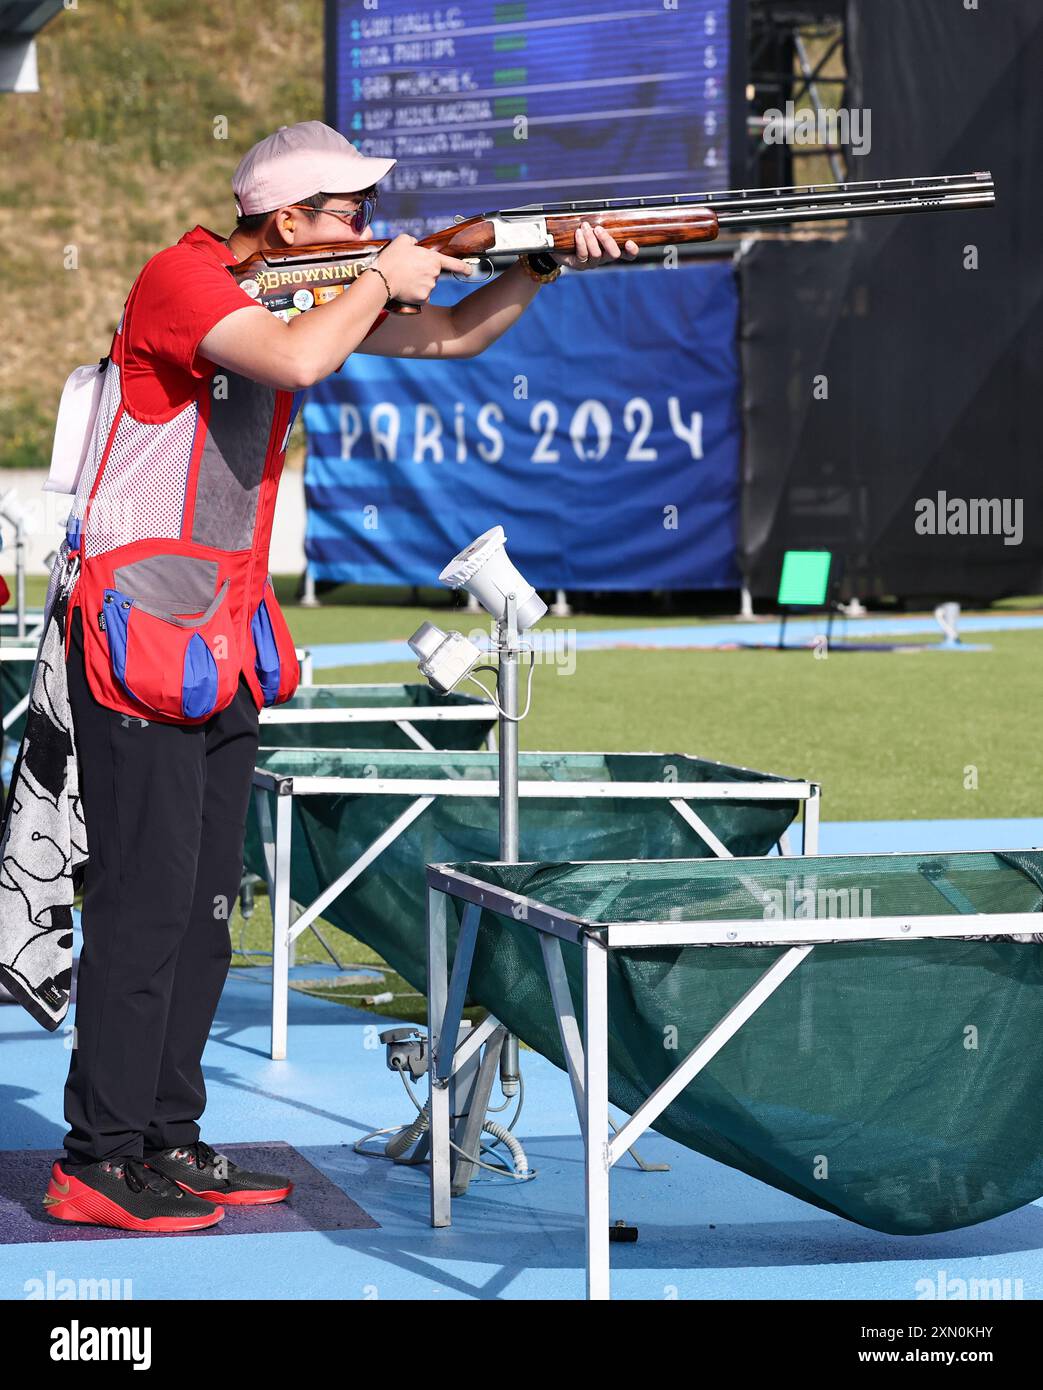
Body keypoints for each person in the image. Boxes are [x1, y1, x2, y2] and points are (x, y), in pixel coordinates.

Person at [43, 120, 638, 1232]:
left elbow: (458, 334)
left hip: (214, 641)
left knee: (210, 908)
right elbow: (301, 359)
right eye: (348, 215)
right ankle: (95, 1158)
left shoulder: (300, 290)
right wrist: (379, 277)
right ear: (286, 224)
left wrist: (541, 260)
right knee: (143, 905)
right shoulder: (184, 279)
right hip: (136, 640)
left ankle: (167, 1136)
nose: (368, 229)